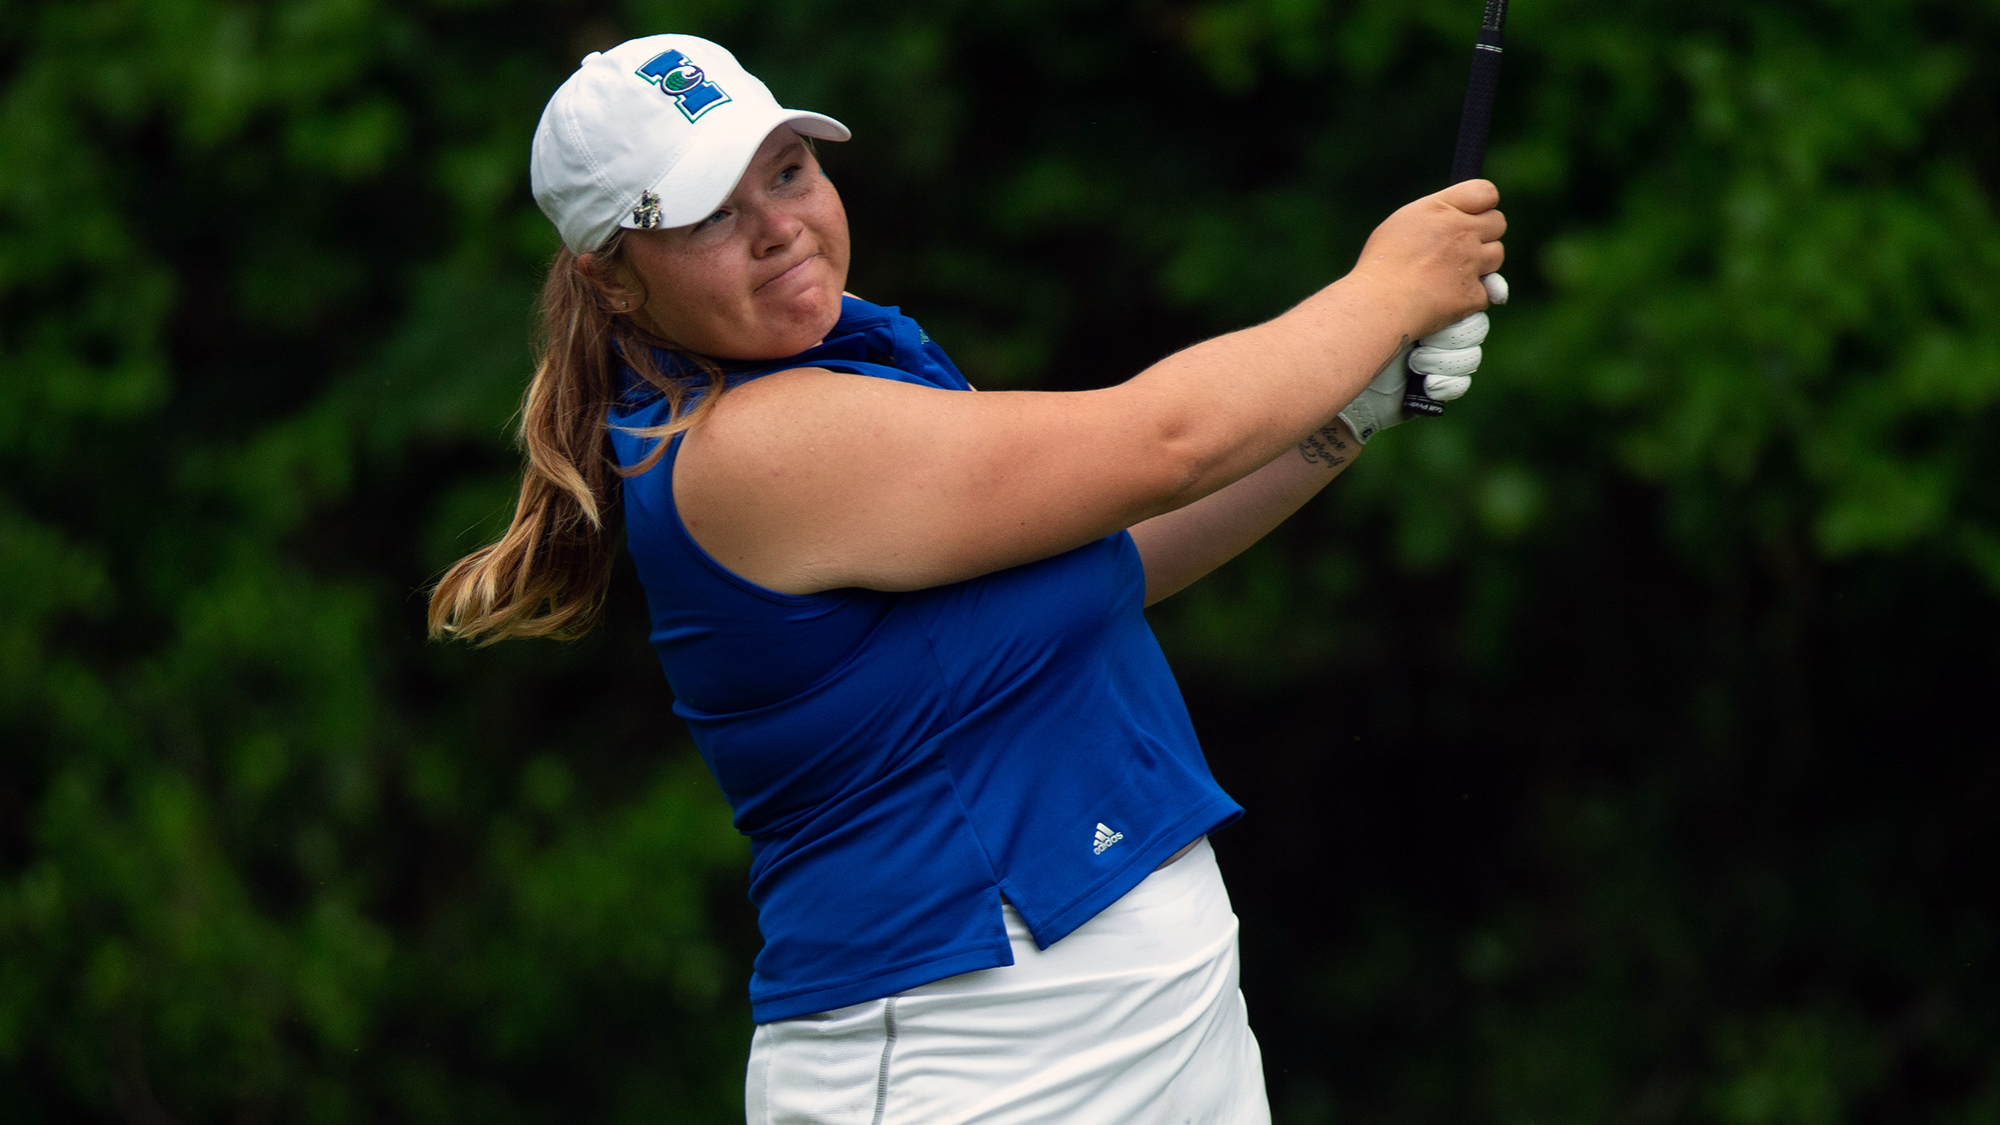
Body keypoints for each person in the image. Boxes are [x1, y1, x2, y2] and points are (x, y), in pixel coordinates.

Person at [430, 33, 1504, 1125]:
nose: (777, 229)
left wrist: (1342, 420)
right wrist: (1383, 292)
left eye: (787, 172)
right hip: (971, 1054)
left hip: (1149, 1008)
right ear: (609, 276)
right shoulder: (745, 444)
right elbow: (1163, 443)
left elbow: (1107, 565)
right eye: (710, 213)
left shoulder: (851, 360)